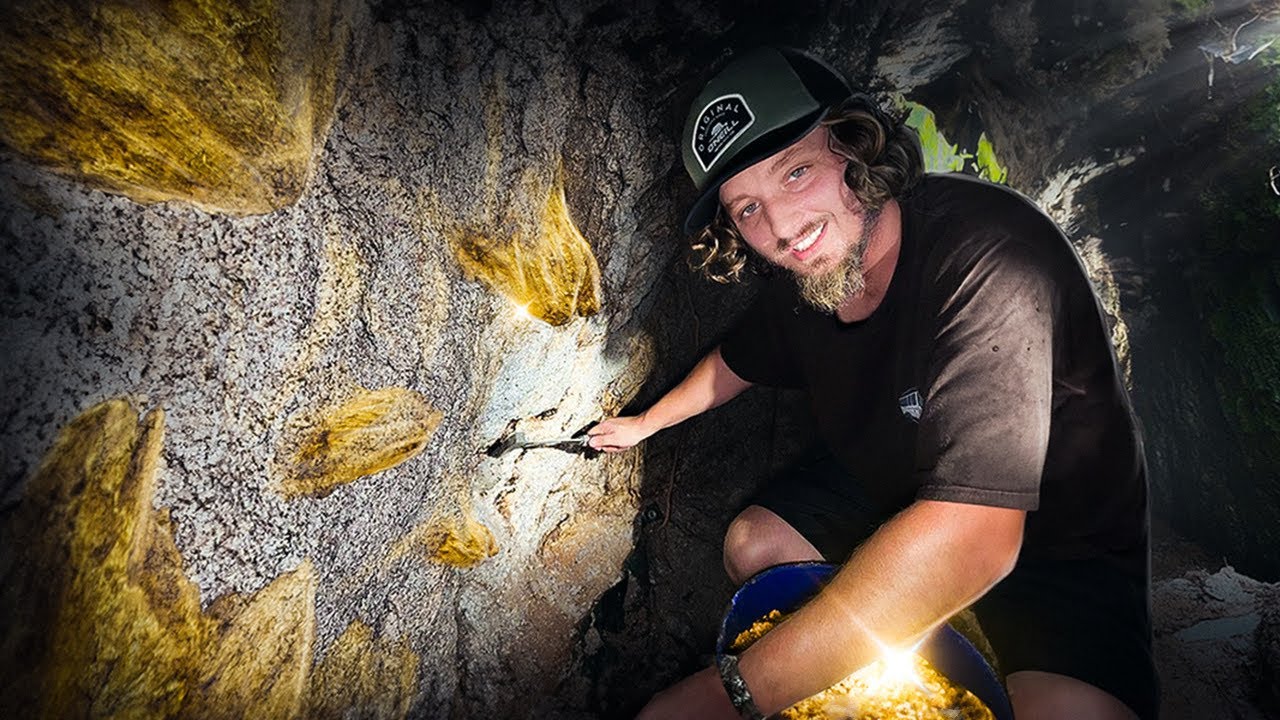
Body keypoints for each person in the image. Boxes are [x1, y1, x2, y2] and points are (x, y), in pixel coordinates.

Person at [586, 46, 1157, 720]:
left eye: (796, 172)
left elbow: (974, 535)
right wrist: (647, 423)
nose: (781, 231)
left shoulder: (991, 255)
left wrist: (731, 692)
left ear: (857, 148)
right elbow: (738, 361)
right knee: (756, 544)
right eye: (747, 210)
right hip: (892, 479)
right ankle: (907, 623)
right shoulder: (815, 277)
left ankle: (924, 619)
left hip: (1056, 544)